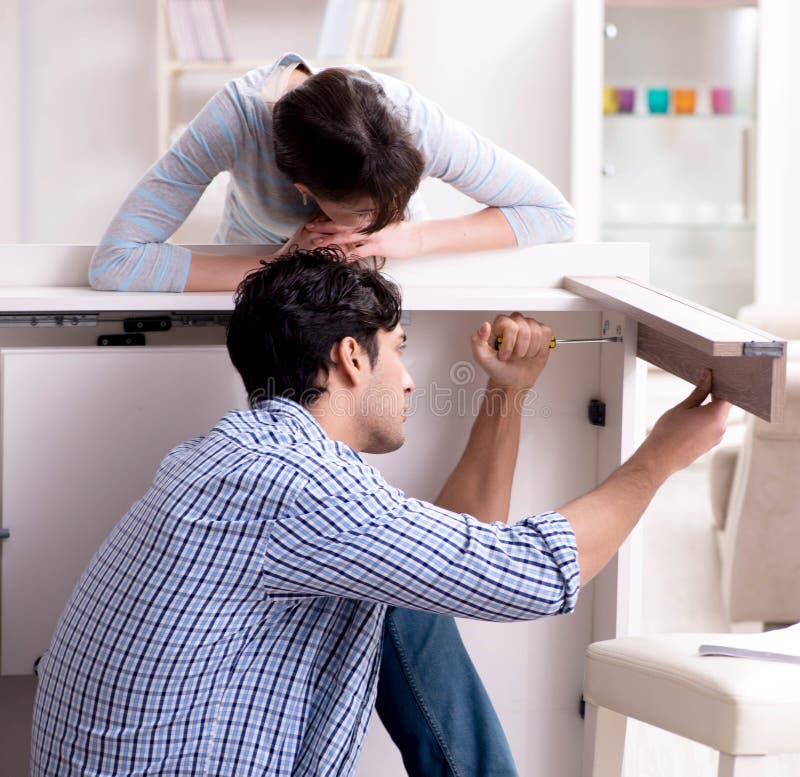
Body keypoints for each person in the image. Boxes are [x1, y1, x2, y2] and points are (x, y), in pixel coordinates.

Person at [33, 249, 730, 776]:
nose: (409, 378)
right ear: (349, 359)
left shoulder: (244, 459)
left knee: (406, 599)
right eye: (398, 351)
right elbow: (534, 574)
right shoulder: (295, 487)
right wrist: (659, 456)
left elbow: (450, 561)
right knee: (415, 598)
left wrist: (508, 392)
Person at [88, 52, 575, 293]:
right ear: (303, 189)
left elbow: (552, 214)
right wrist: (275, 266)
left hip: (392, 272)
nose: (374, 221)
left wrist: (411, 237)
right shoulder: (234, 120)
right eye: (364, 213)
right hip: (260, 272)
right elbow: (116, 264)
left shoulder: (413, 120)